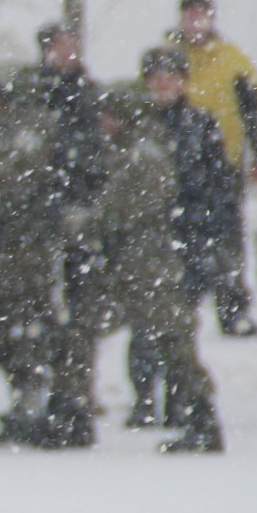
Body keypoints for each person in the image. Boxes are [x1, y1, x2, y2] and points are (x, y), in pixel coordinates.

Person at [79, 74, 223, 453]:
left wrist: (88, 220)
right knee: (84, 328)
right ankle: (72, 413)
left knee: (174, 341)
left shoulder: (145, 153)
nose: (103, 121)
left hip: (147, 266)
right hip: (131, 264)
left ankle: (202, 420)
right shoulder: (128, 149)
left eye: (109, 114)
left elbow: (125, 207)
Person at [0, 21, 107, 445]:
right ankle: (39, 401)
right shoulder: (35, 94)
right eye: (57, 46)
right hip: (36, 224)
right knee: (32, 313)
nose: (64, 53)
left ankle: (71, 402)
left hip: (73, 220)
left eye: (69, 45)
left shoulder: (85, 96)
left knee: (77, 318)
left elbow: (92, 159)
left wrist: (81, 206)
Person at [134, 43, 240, 440]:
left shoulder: (200, 125)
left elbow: (219, 187)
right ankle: (144, 397)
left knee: (179, 325)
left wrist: (209, 232)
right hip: (146, 241)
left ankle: (181, 402)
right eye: (157, 77)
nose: (164, 84)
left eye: (171, 76)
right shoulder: (137, 125)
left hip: (189, 238)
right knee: (146, 326)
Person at [166, 0, 257, 336]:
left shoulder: (232, 59)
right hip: (175, 165)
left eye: (202, 14)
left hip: (223, 164)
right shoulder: (168, 56)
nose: (196, 21)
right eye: (190, 14)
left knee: (227, 238)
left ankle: (233, 310)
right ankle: (180, 308)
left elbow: (256, 107)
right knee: (177, 238)